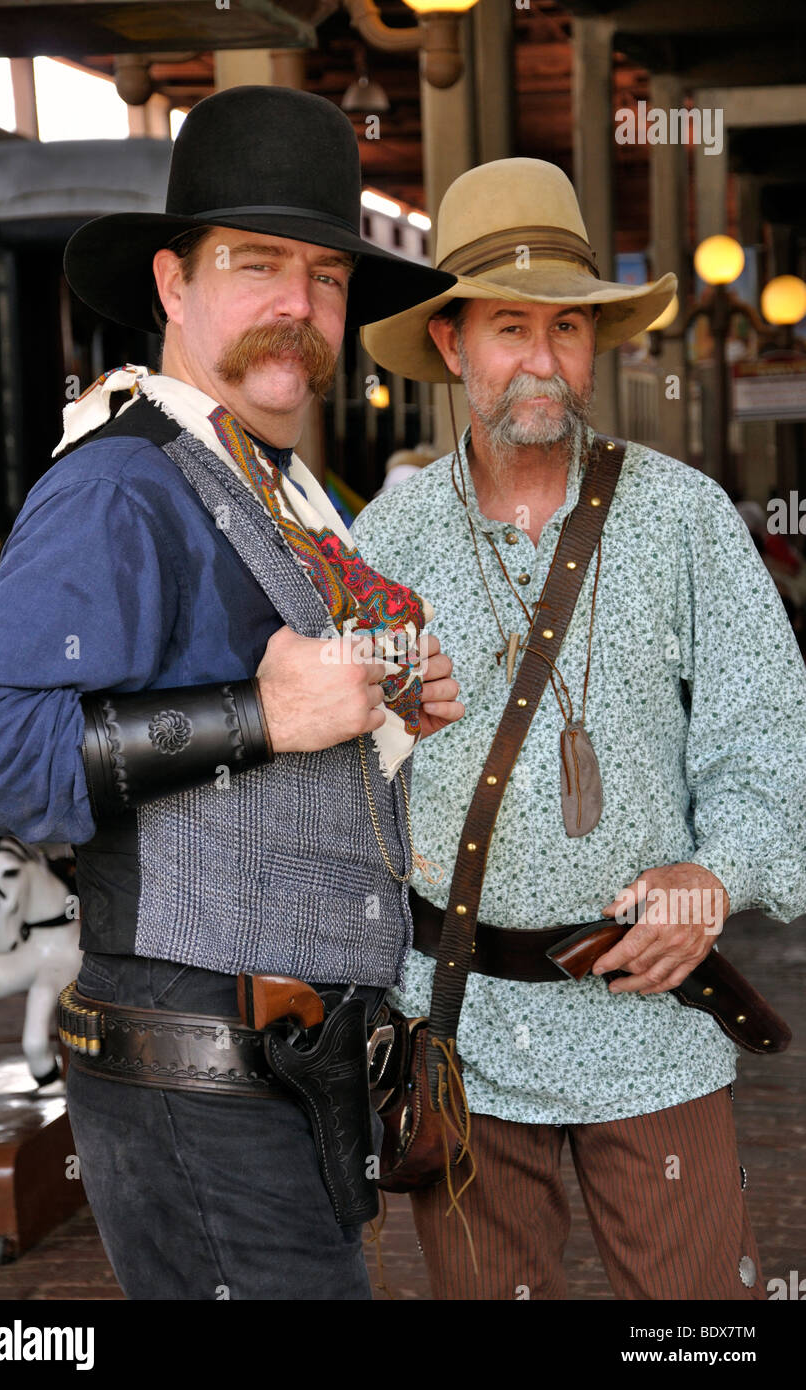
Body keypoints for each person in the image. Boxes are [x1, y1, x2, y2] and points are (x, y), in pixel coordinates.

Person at [0, 86, 464, 1300]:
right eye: (256, 264)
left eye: (326, 276)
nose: (299, 304)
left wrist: (383, 701)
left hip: (287, 1082)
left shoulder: (274, 485)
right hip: (197, 1091)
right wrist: (263, 716)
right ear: (173, 284)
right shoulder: (124, 485)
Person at [351, 156, 806, 1301]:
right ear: (452, 348)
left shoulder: (682, 514)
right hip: (454, 1030)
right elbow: (338, 766)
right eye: (508, 327)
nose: (541, 358)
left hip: (646, 1013)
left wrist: (714, 870)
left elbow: (768, 737)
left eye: (566, 326)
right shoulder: (389, 536)